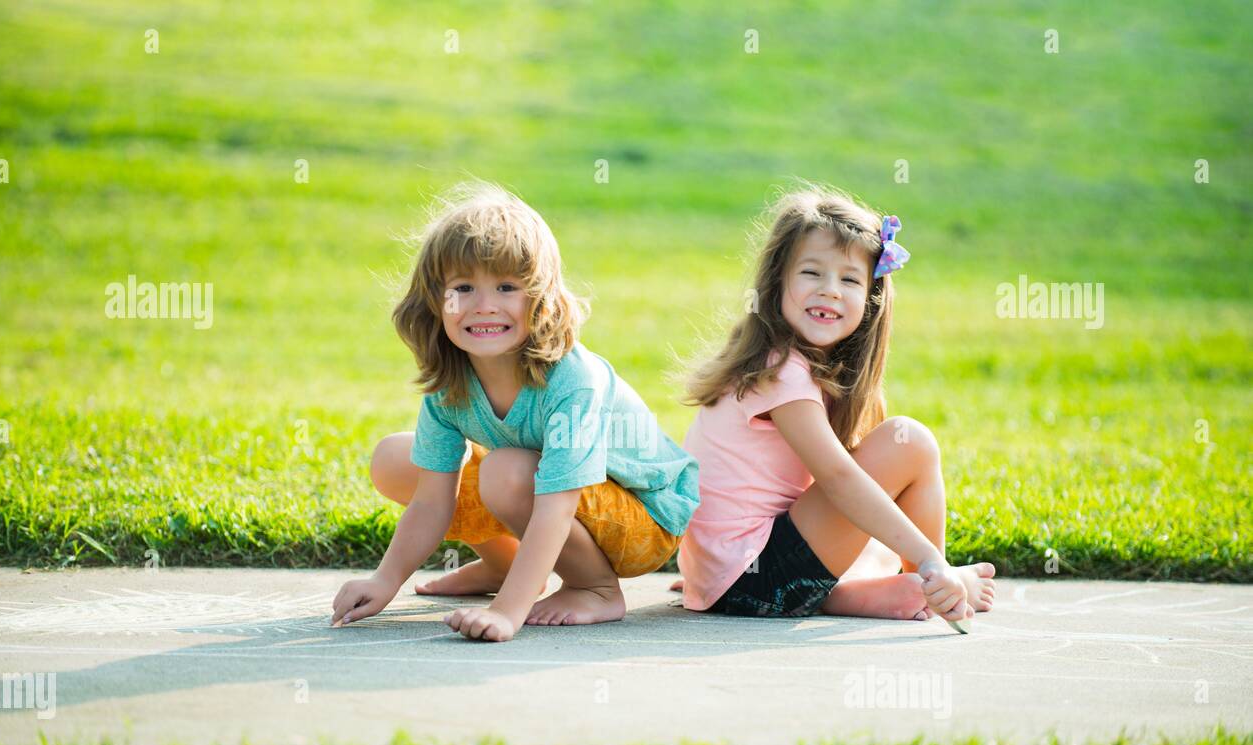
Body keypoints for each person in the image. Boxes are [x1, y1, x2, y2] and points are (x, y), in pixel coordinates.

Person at [332, 183, 699, 641]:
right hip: (548, 495)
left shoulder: (570, 380)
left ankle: (595, 588)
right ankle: (502, 567)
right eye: (463, 287)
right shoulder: (452, 380)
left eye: (507, 287)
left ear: (540, 298)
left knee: (505, 472)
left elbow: (557, 503)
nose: (484, 305)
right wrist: (383, 582)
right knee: (398, 459)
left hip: (645, 514)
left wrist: (508, 612)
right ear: (434, 300)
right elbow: (431, 501)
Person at [677, 184, 996, 623]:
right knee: (912, 443)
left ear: (870, 301)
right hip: (755, 576)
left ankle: (871, 591)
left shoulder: (802, 368)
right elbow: (839, 478)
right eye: (811, 273)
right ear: (777, 283)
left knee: (883, 539)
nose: (830, 291)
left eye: (849, 279)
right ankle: (934, 584)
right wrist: (927, 557)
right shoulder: (781, 370)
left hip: (736, 581)